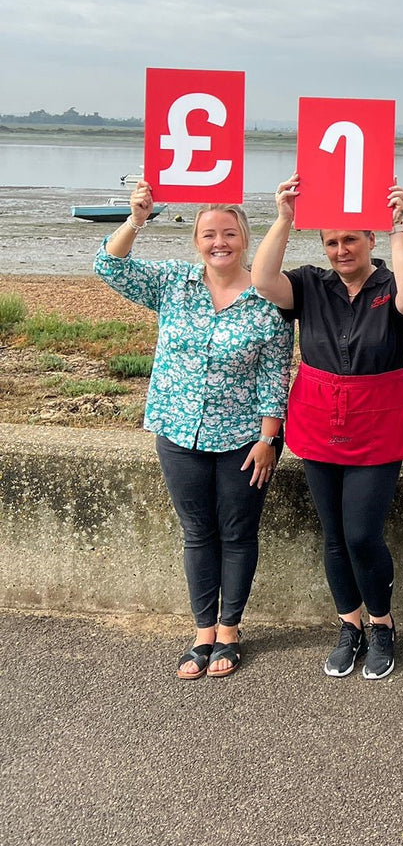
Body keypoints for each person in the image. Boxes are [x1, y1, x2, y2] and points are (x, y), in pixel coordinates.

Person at [94, 181, 292, 679]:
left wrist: (269, 439)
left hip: (245, 438)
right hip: (178, 433)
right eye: (209, 234)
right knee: (198, 533)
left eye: (229, 232)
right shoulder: (174, 283)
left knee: (238, 533)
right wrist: (137, 218)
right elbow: (108, 266)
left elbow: (275, 372)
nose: (219, 242)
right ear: (196, 240)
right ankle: (203, 631)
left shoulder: (268, 296)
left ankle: (230, 630)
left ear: (245, 238)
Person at [252, 173, 403, 681]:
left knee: (362, 534)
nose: (340, 249)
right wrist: (284, 216)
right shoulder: (308, 282)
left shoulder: (391, 281)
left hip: (378, 423)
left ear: (369, 240)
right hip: (317, 419)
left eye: (351, 239)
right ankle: (349, 625)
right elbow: (263, 280)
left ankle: (383, 624)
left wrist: (398, 228)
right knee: (333, 536)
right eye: (331, 241)